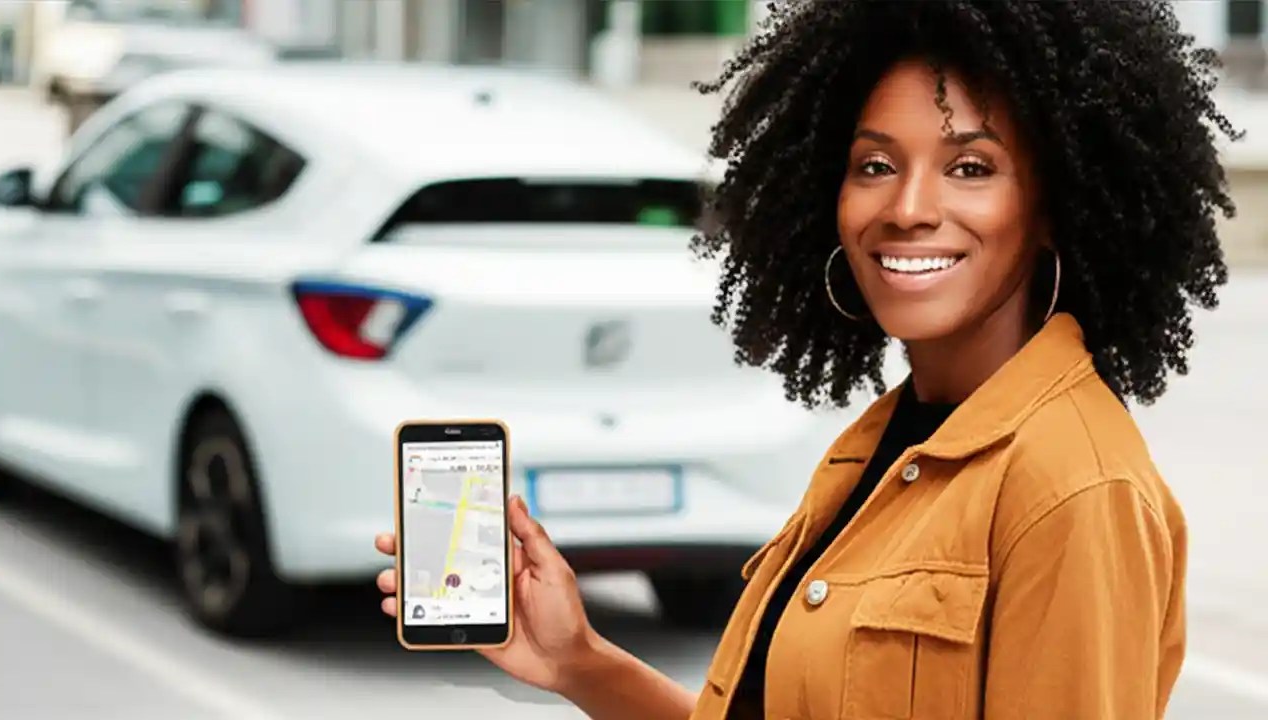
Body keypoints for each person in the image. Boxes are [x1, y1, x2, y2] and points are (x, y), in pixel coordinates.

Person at [375, 1, 1239, 717]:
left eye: (970, 167)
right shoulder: (887, 441)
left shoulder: (1071, 490)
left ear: (1053, 207)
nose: (908, 208)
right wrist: (579, 660)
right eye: (874, 165)